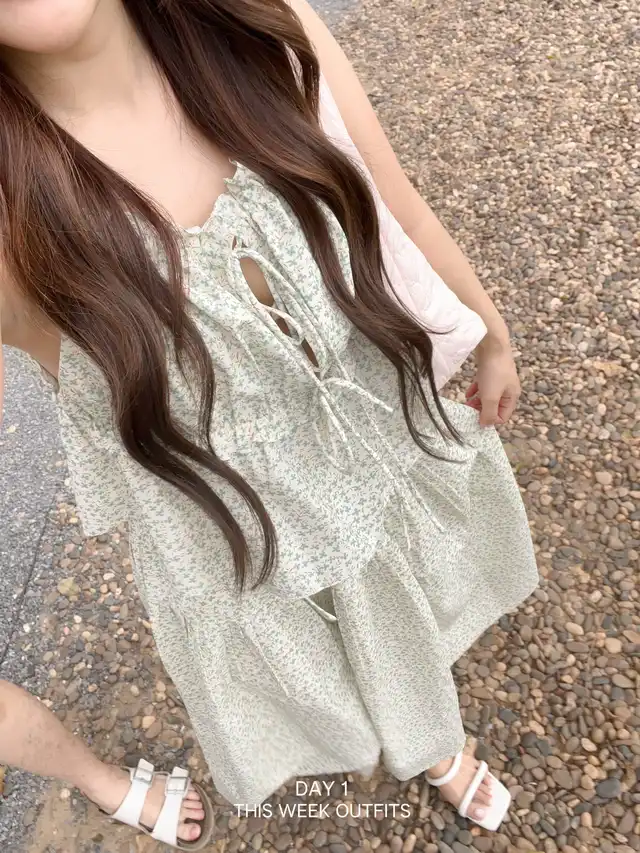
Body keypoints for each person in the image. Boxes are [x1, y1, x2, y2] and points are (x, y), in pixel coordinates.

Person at [0, 0, 539, 845]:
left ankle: (438, 744)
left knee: (412, 621)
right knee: (341, 665)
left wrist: (492, 332)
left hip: (378, 456)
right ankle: (425, 742)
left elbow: (398, 206)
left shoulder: (260, 34)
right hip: (246, 540)